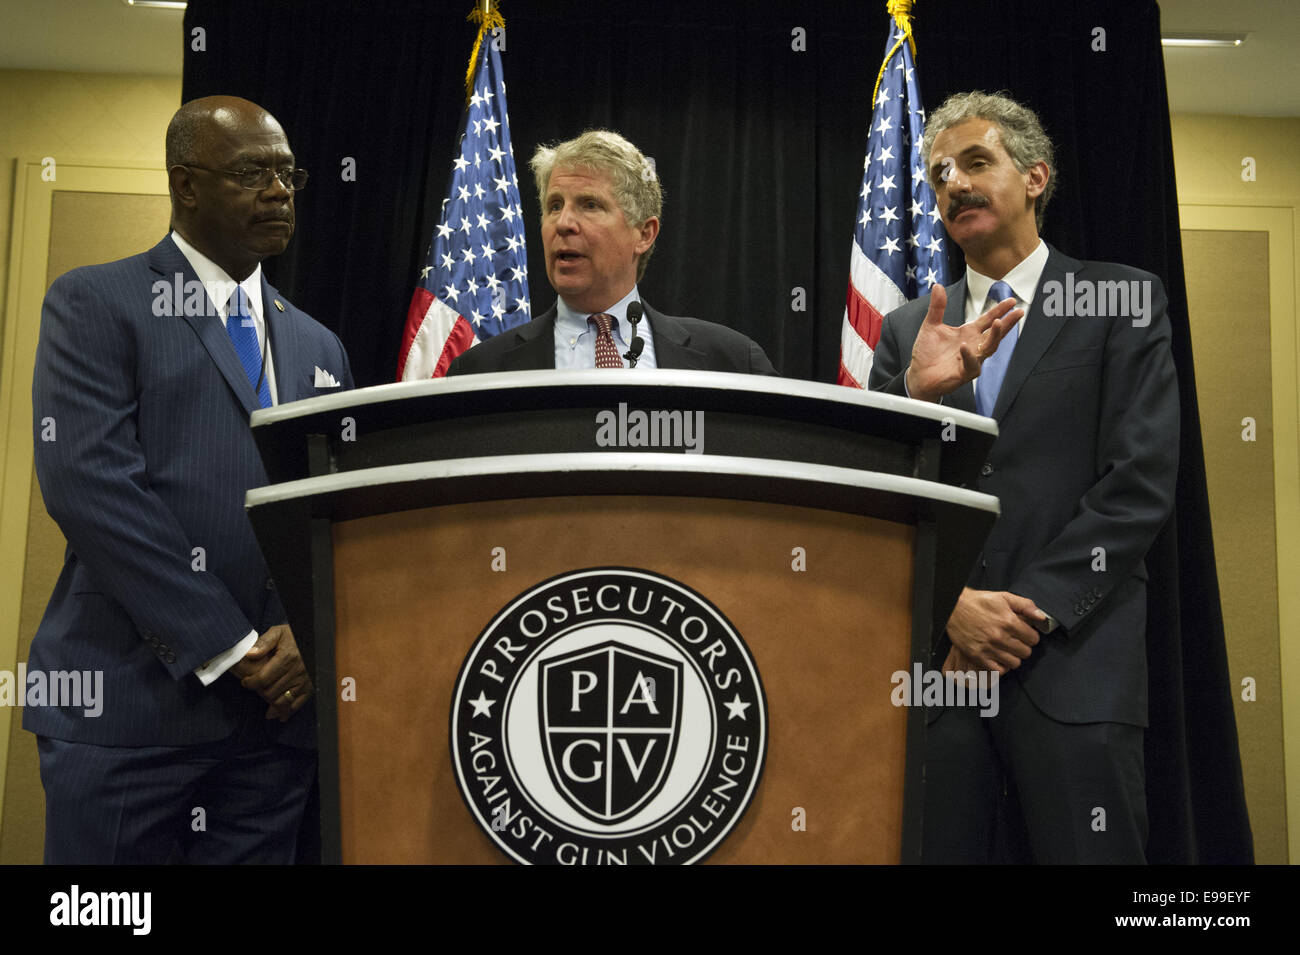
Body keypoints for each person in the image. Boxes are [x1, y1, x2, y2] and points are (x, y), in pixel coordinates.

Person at [27, 95, 353, 863]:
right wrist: (230, 645)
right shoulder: (97, 301)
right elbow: (90, 485)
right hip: (129, 711)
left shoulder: (320, 344)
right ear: (186, 184)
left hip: (275, 729)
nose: (278, 192)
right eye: (251, 173)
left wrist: (312, 637)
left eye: (287, 174)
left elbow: (333, 507)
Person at [868, 91, 1179, 863]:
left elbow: (1136, 483)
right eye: (940, 173)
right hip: (942, 682)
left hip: (1076, 671)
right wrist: (953, 608)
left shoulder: (1120, 300)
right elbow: (875, 485)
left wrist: (1014, 617)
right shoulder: (911, 329)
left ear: (1035, 176)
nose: (956, 184)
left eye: (977, 162)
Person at [448, 130, 775, 375]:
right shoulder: (479, 371)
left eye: (590, 205)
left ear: (644, 234)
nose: (563, 223)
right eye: (554, 206)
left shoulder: (732, 363)